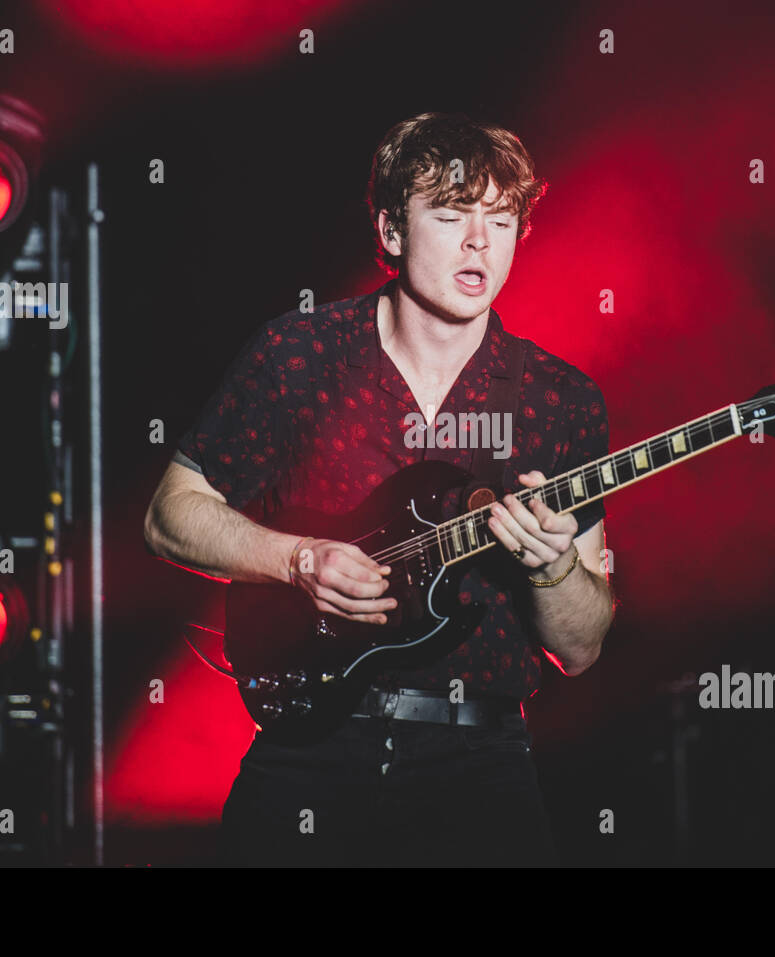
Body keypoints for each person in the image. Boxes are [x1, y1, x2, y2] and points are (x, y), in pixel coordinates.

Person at [144, 112, 615, 866]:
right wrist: (298, 559)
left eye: (500, 220)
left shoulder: (560, 400)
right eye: (452, 215)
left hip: (480, 760)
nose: (478, 242)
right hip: (309, 744)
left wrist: (553, 566)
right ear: (392, 230)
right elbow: (170, 514)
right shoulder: (299, 355)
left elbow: (582, 647)